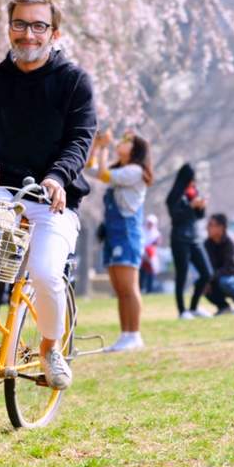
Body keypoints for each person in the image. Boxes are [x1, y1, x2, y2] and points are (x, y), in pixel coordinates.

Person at [0, 0, 97, 388]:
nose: (28, 34)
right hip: (1, 196)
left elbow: (81, 139)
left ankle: (50, 348)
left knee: (46, 272)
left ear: (54, 33)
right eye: (20, 24)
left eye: (39, 26)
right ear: (9, 28)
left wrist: (57, 177)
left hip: (54, 199)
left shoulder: (73, 82)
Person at [90, 129, 153, 352]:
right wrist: (97, 146)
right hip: (113, 233)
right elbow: (90, 168)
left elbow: (104, 175)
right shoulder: (121, 169)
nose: (121, 142)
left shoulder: (135, 171)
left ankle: (134, 334)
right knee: (119, 288)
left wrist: (104, 147)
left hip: (127, 234)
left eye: (127, 141)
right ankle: (125, 335)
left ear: (136, 149)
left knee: (128, 287)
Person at [165, 163, 213, 319]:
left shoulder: (193, 192)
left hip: (195, 238)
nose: (194, 182)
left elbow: (199, 216)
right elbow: (175, 216)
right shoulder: (174, 195)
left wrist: (201, 206)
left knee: (207, 273)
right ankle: (182, 311)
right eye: (191, 179)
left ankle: (193, 307)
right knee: (182, 275)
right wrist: (191, 206)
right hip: (179, 239)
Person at [140, 214, 161, 294]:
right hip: (142, 256)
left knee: (151, 274)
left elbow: (155, 245)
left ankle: (150, 290)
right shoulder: (141, 231)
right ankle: (140, 289)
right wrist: (144, 254)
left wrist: (150, 255)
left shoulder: (156, 234)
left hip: (151, 257)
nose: (150, 225)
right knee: (141, 274)